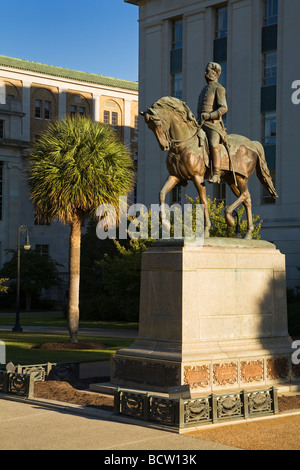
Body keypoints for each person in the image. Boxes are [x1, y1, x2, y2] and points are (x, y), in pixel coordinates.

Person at [197, 62, 228, 183]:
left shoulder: (219, 88)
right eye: (206, 71)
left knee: (213, 145)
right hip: (200, 122)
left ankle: (216, 174)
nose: (205, 73)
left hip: (213, 125)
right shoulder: (204, 89)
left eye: (208, 71)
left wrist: (209, 115)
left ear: (214, 74)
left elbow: (223, 108)